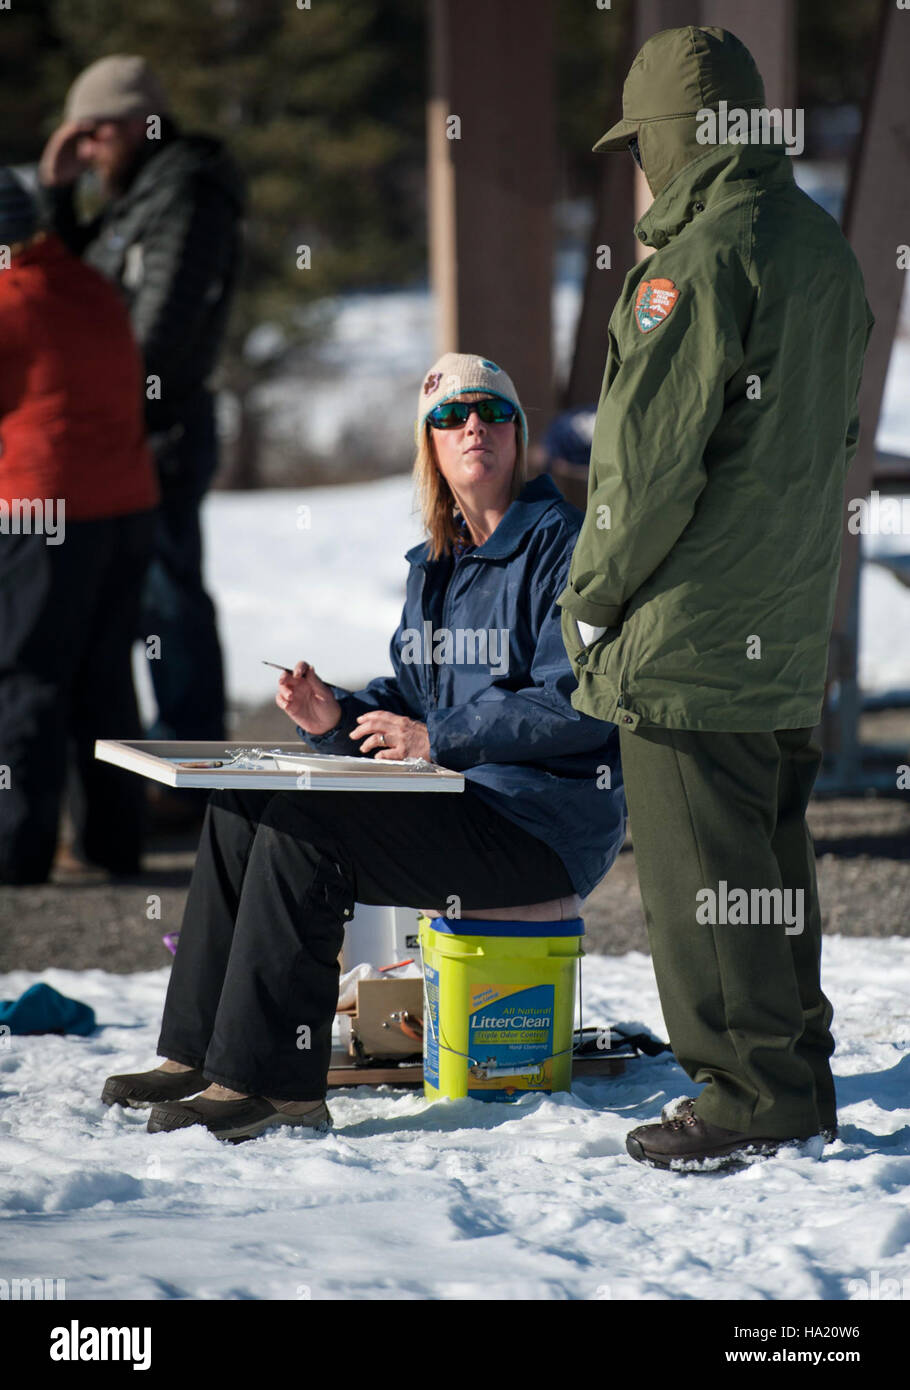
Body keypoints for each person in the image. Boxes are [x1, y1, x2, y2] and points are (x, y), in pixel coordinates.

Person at [101, 352, 626, 1142]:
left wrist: (436, 737)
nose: (472, 425)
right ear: (432, 447)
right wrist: (334, 713)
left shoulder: (566, 547)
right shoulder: (438, 565)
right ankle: (200, 1055)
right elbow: (416, 698)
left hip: (542, 826)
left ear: (517, 436)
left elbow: (583, 701)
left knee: (308, 831)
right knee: (243, 799)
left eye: (491, 412)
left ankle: (277, 1086)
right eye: (450, 417)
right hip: (464, 802)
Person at [557, 27, 873, 1170]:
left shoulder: (693, 263)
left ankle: (748, 1095)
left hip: (690, 634)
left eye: (642, 143)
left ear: (672, 139)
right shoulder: (818, 246)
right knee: (769, 864)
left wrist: (589, 601)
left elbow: (642, 471)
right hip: (782, 625)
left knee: (706, 878)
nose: (640, 166)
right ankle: (792, 1069)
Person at [38, 54, 245, 756]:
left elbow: (160, 329)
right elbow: (75, 285)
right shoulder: (141, 194)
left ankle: (191, 755)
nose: (87, 151)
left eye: (94, 135)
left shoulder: (187, 193)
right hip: (127, 426)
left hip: (159, 425)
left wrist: (103, 399)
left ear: (134, 124)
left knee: (165, 592)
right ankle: (164, 754)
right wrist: (60, 195)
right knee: (138, 596)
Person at [0, 169, 159, 883]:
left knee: (29, 674)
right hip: (124, 504)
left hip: (42, 509)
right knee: (105, 677)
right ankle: (114, 842)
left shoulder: (10, 297)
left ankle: (16, 851)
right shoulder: (91, 285)